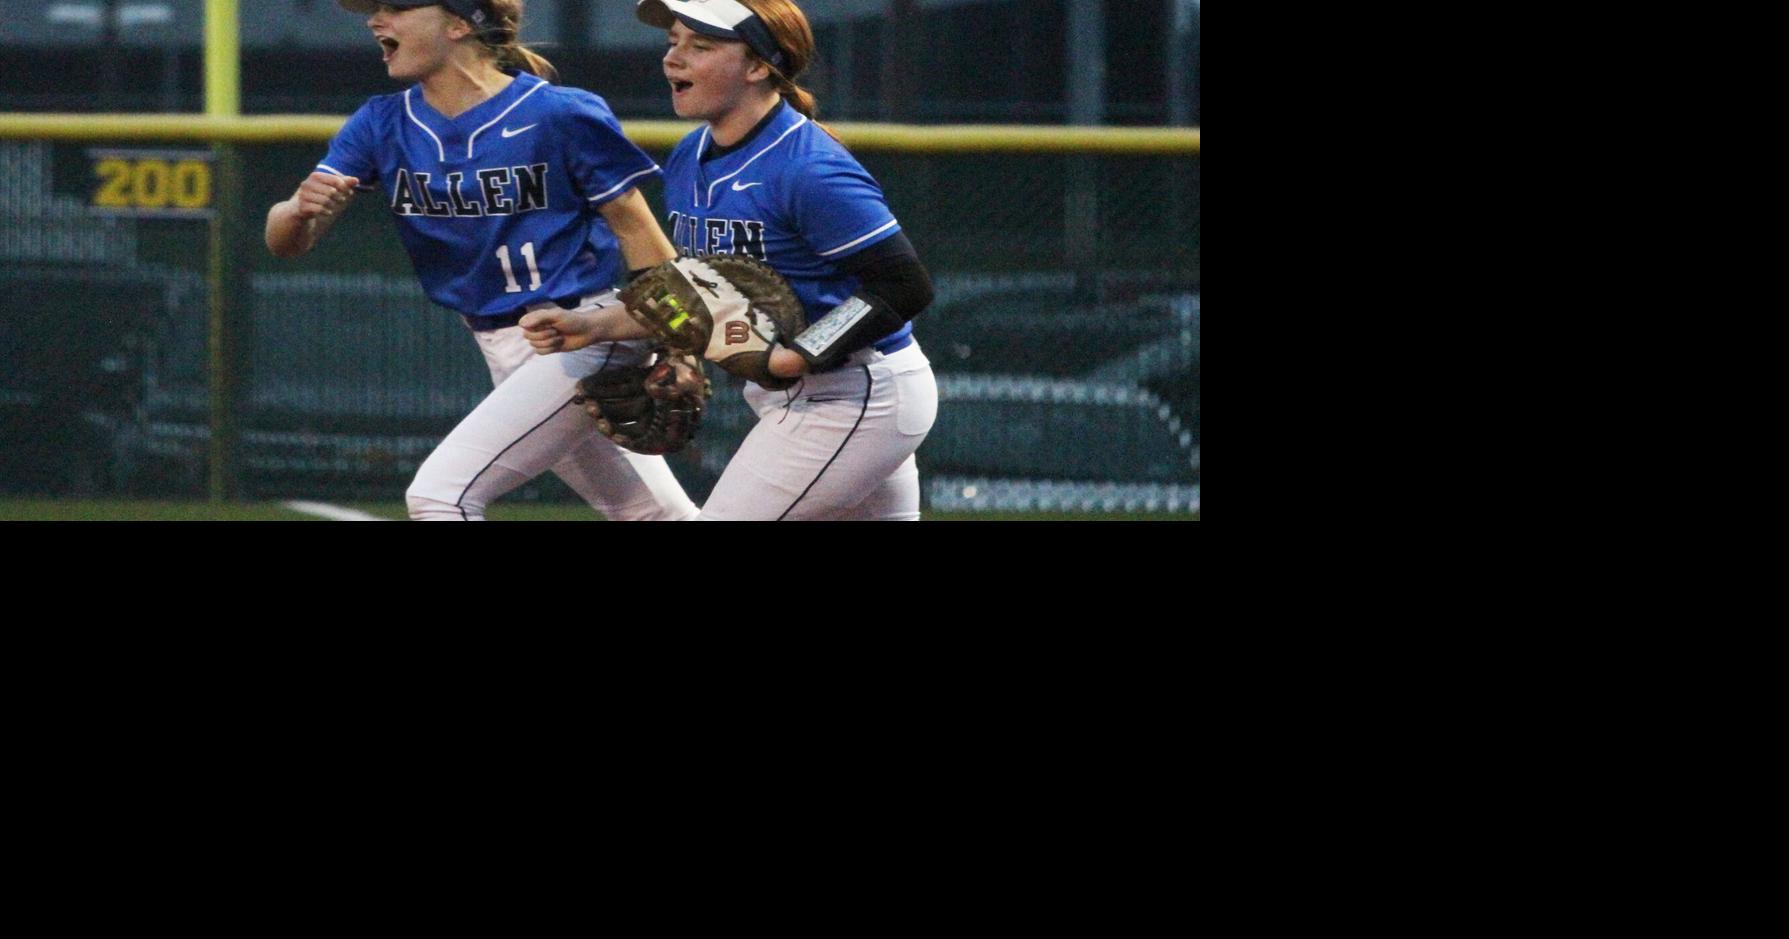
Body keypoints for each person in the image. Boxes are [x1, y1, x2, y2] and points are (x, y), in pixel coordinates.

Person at [264, 0, 697, 521]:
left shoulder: (559, 112)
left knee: (441, 495)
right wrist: (298, 209)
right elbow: (286, 242)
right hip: (504, 345)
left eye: (396, 7)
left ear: (459, 22)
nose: (376, 20)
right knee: (650, 513)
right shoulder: (382, 122)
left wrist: (678, 339)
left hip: (587, 327)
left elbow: (639, 231)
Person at [522, 0, 938, 521]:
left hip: (855, 396)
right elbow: (700, 293)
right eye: (673, 41)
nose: (674, 58)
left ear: (759, 66)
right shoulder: (689, 157)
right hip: (805, 397)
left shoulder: (808, 168)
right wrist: (594, 325)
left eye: (701, 46)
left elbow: (904, 285)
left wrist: (799, 354)